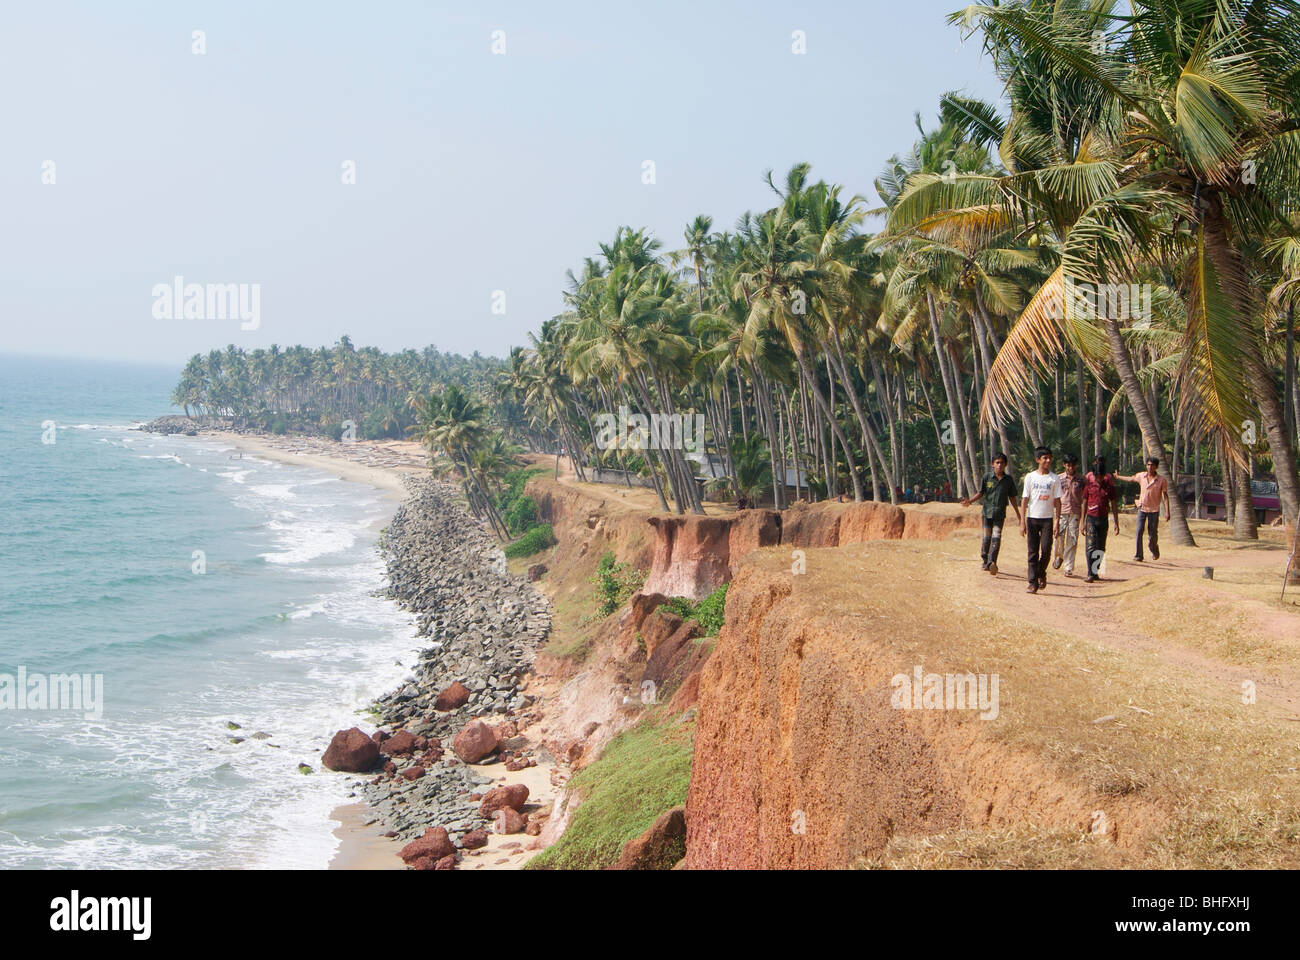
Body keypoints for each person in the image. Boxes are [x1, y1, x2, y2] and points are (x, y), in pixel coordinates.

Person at [961, 453, 1021, 577]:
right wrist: (970, 502)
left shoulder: (1008, 480)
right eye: (997, 462)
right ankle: (985, 560)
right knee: (986, 538)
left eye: (1002, 463)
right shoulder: (987, 477)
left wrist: (1018, 514)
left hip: (1000, 514)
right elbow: (981, 493)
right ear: (992, 464)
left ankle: (992, 562)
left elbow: (1012, 497)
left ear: (1005, 465)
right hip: (987, 513)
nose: (999, 465)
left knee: (996, 537)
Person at [1019, 446, 1062, 594]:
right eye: (1045, 458)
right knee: (1032, 551)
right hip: (1032, 518)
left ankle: (1041, 572)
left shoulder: (1054, 478)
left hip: (1047, 520)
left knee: (1046, 550)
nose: (1048, 460)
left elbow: (1057, 501)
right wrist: (1022, 521)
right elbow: (1024, 500)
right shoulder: (1030, 477)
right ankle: (1032, 582)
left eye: (1050, 458)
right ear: (1038, 460)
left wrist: (1057, 521)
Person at [1116, 457, 1170, 561]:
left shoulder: (1161, 480)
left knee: (1152, 534)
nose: (1150, 467)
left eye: (1152, 465)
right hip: (1142, 507)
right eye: (1148, 465)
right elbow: (1131, 478)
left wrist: (1167, 511)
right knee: (1139, 531)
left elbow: (1165, 496)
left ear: (1156, 467)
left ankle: (1154, 549)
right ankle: (1138, 555)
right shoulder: (1141, 476)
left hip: (1154, 510)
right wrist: (1118, 477)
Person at [1082, 455, 1120, 582]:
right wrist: (1082, 522)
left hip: (1103, 519)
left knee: (1101, 547)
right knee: (1090, 546)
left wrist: (1116, 522)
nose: (1099, 479)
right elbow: (1084, 503)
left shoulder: (1109, 487)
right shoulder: (1089, 486)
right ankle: (1090, 573)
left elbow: (1113, 504)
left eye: (1101, 476)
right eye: (1097, 476)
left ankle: (1095, 570)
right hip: (1091, 519)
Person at [1052, 454, 1086, 576]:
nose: (1070, 467)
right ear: (1064, 465)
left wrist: (1083, 518)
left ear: (1076, 465)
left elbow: (1084, 498)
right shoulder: (1058, 478)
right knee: (1058, 536)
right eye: (1068, 465)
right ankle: (1058, 556)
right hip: (1061, 511)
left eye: (1072, 465)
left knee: (1072, 539)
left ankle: (1068, 567)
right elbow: (1055, 497)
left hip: (1075, 512)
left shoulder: (1081, 480)